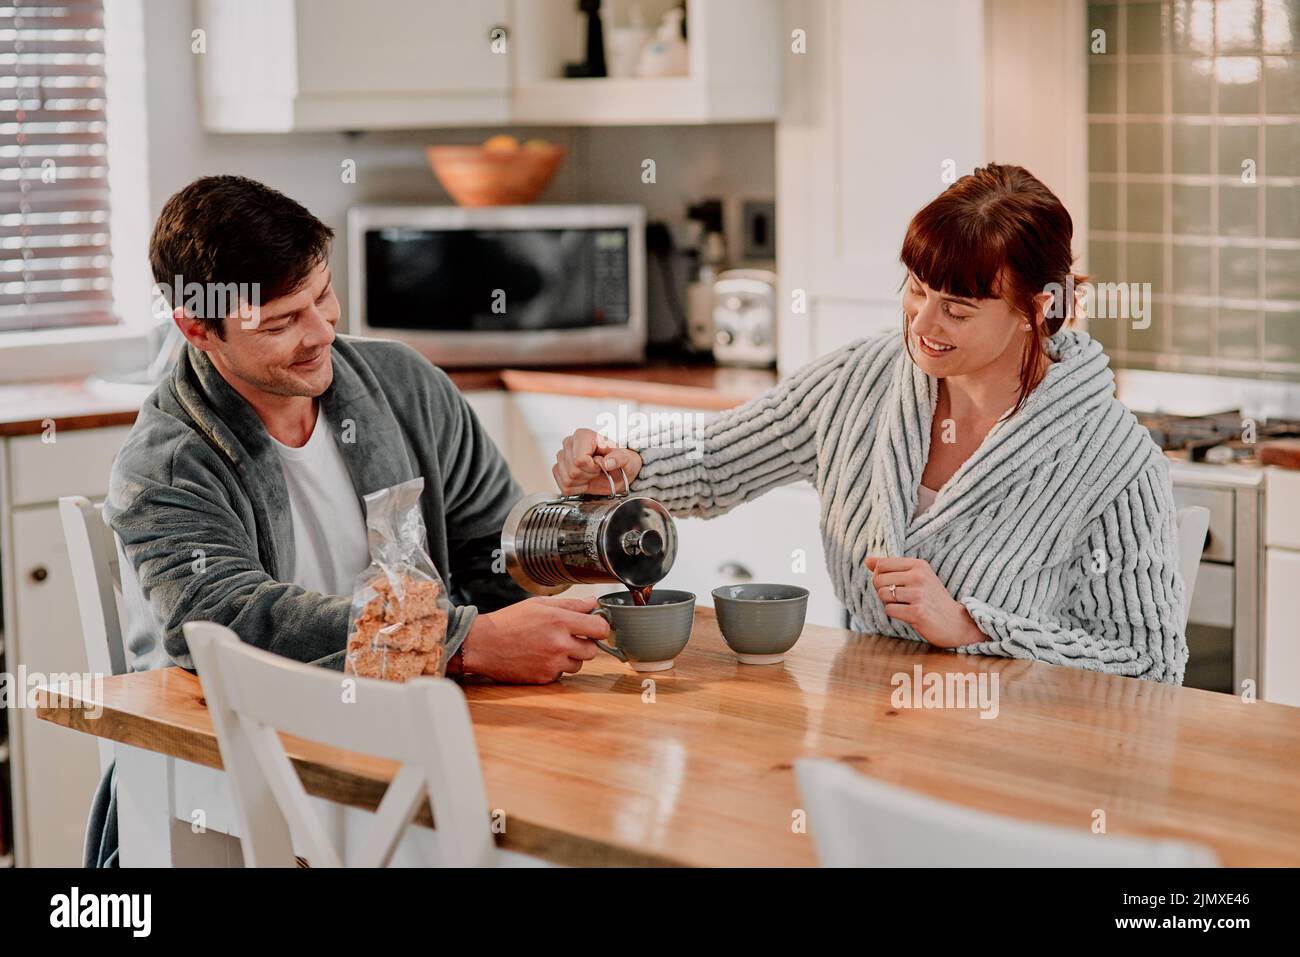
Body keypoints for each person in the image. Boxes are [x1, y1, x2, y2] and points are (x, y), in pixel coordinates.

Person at [554, 164, 1187, 684]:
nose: (923, 324)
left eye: (958, 309)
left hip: (1014, 758)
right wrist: (626, 467)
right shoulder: (863, 379)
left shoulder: (1113, 459)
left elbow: (1148, 663)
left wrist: (973, 627)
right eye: (916, 289)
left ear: (1036, 307)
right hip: (864, 719)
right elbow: (719, 458)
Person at [108, 175, 609, 684]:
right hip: (224, 727)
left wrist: (591, 522)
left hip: (409, 710)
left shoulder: (406, 385)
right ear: (197, 329)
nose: (321, 333)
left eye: (323, 295)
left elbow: (494, 553)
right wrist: (458, 644)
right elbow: (223, 621)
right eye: (281, 323)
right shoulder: (163, 465)